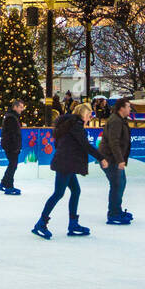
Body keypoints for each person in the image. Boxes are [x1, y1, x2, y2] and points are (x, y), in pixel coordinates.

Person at [32, 102, 103, 239]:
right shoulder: (76, 126)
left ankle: (73, 224)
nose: (90, 118)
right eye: (88, 115)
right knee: (58, 193)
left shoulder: (69, 125)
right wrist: (102, 158)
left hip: (66, 163)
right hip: (65, 164)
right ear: (82, 114)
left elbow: (58, 143)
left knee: (75, 191)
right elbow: (86, 145)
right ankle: (41, 223)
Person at [99, 97, 134, 224]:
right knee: (117, 184)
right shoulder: (115, 121)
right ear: (121, 108)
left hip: (113, 158)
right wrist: (120, 159)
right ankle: (113, 214)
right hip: (110, 159)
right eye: (128, 106)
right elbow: (114, 142)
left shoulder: (121, 120)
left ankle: (116, 210)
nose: (130, 109)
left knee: (120, 183)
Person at [0, 99, 25, 195]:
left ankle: (4, 183)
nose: (22, 109)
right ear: (15, 107)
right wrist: (16, 147)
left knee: (12, 165)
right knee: (13, 165)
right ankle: (9, 186)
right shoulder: (11, 118)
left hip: (10, 145)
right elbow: (12, 134)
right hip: (11, 146)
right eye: (21, 107)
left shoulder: (12, 116)